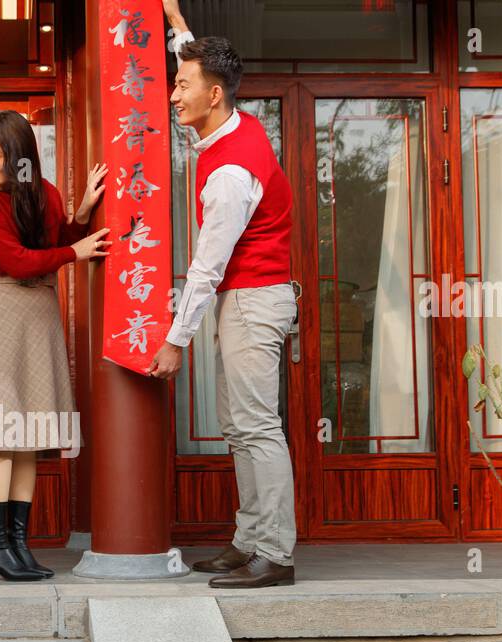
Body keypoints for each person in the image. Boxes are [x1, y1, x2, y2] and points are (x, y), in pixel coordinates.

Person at [149, 0, 299, 589]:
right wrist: (174, 21)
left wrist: (173, 340)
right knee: (241, 425)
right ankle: (249, 540)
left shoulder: (231, 176)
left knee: (257, 426)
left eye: (181, 85)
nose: (172, 93)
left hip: (253, 300)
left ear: (213, 95)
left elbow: (207, 269)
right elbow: (193, 59)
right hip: (249, 298)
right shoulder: (237, 120)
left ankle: (276, 554)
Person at [0, 111, 110, 580]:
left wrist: (80, 216)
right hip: (5, 305)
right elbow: (18, 260)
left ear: (19, 156)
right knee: (0, 437)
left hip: (40, 310)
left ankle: (17, 546)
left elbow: (55, 241)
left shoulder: (45, 194)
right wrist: (72, 252)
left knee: (28, 441)